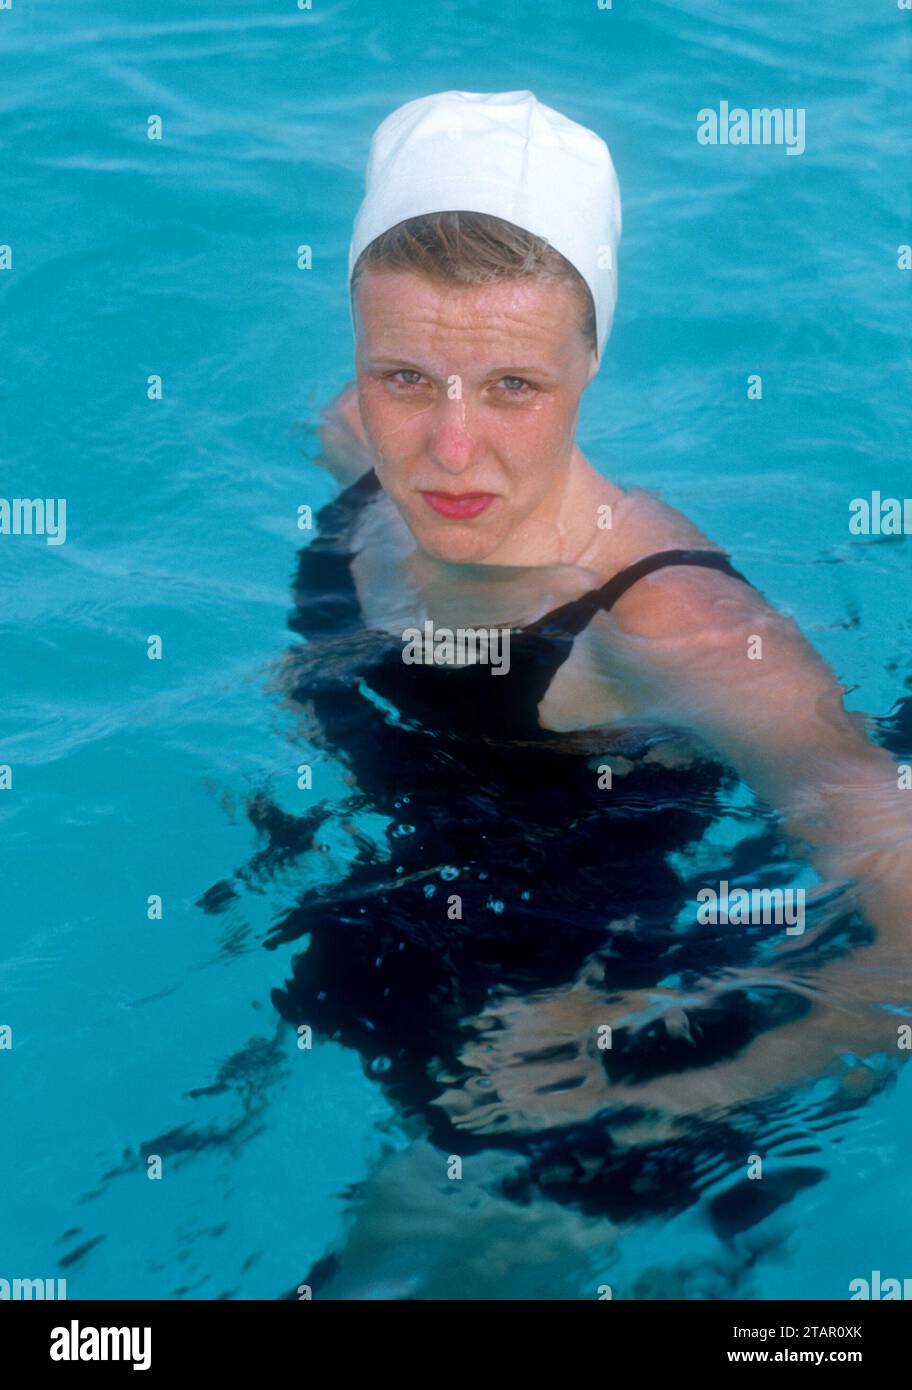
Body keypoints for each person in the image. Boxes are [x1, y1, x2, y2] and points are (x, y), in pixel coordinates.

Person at [205, 93, 911, 1291]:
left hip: (561, 1073)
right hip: (394, 932)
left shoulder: (669, 623)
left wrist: (657, 1058)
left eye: (515, 387)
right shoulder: (360, 445)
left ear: (592, 361)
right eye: (406, 375)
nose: (451, 448)